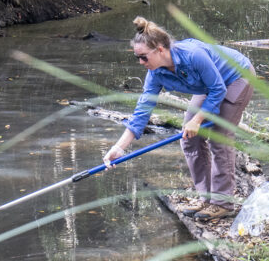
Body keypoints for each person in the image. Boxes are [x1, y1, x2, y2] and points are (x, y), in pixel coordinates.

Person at [104, 16, 255, 221]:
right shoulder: (155, 73)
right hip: (209, 85)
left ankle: (223, 203)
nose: (140, 62)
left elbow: (218, 89)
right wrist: (119, 147)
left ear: (160, 49)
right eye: (136, 58)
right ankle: (207, 197)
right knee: (189, 138)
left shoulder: (193, 55)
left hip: (236, 77)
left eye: (143, 57)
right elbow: (142, 111)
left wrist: (198, 120)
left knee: (219, 138)